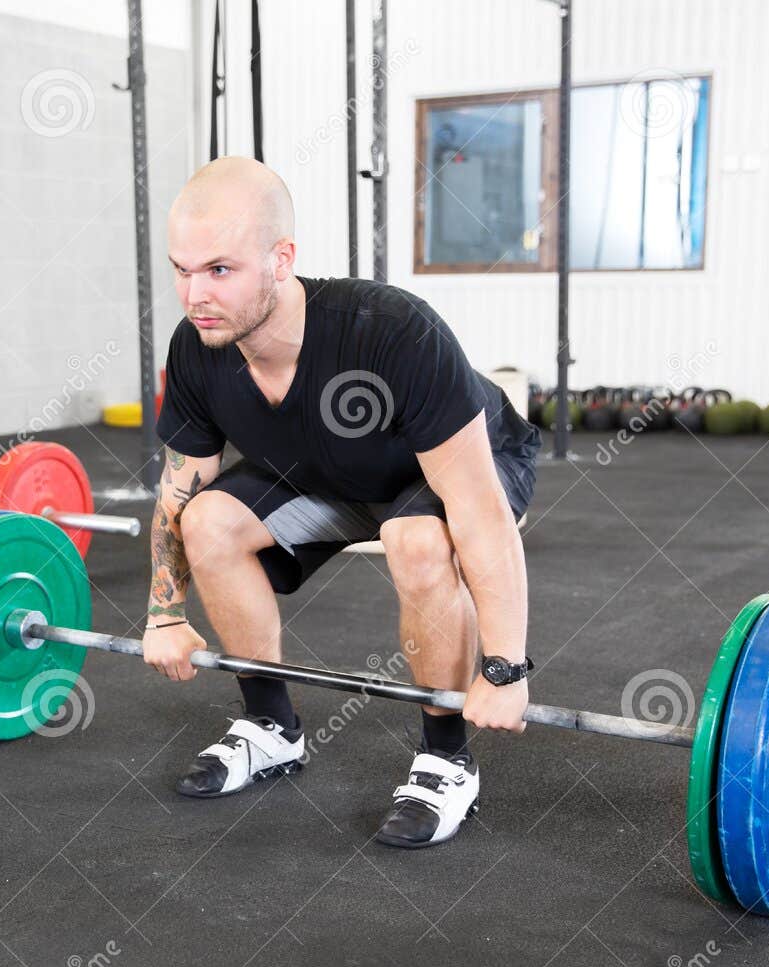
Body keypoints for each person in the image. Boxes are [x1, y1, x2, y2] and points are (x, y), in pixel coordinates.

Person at [141, 158, 540, 849]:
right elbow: (183, 487)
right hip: (325, 471)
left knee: (416, 540)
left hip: (451, 470)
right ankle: (271, 728)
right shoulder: (199, 346)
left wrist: (504, 667)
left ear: (281, 259)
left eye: (219, 270)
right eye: (181, 270)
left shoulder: (390, 331)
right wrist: (163, 613)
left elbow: (476, 510)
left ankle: (445, 757)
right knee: (209, 522)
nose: (193, 294)